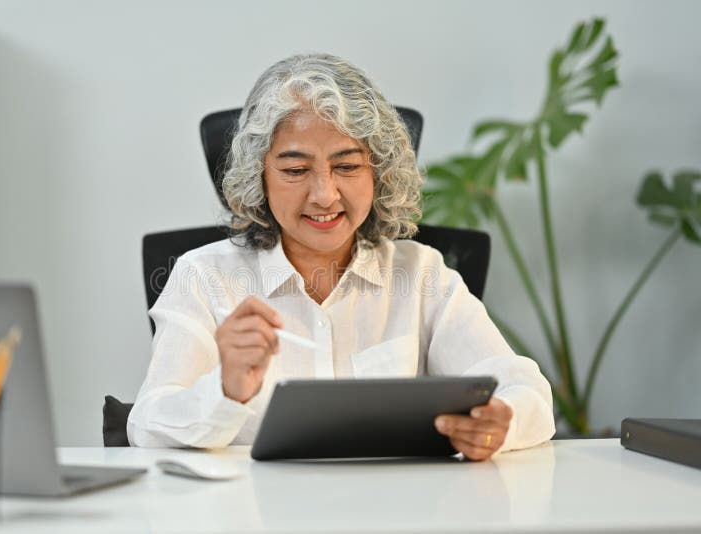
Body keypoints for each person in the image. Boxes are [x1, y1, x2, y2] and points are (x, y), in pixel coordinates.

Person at [128, 53, 555, 460]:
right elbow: (147, 424)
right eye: (295, 171)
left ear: (379, 172)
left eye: (347, 167)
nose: (324, 195)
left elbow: (525, 389)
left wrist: (502, 422)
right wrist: (225, 390)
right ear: (259, 176)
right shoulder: (203, 277)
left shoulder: (422, 274)